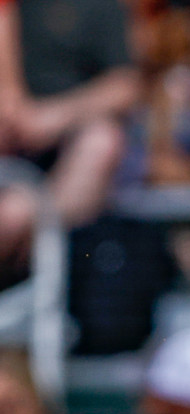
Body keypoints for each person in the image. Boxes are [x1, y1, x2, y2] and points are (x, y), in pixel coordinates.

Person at [0, 0, 141, 283]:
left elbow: (126, 86)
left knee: (102, 142)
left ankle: (40, 249)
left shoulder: (103, 8)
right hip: (13, 151)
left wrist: (54, 117)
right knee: (12, 215)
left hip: (66, 152)